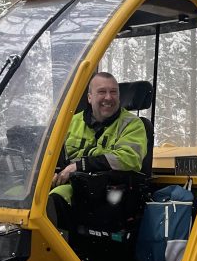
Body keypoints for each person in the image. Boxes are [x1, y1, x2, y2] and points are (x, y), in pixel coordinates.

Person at [48, 71, 148, 227]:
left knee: (53, 202)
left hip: (106, 193)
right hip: (70, 183)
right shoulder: (70, 122)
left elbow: (129, 158)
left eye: (113, 92)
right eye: (102, 92)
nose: (108, 97)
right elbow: (51, 153)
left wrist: (80, 166)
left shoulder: (132, 125)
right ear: (89, 97)